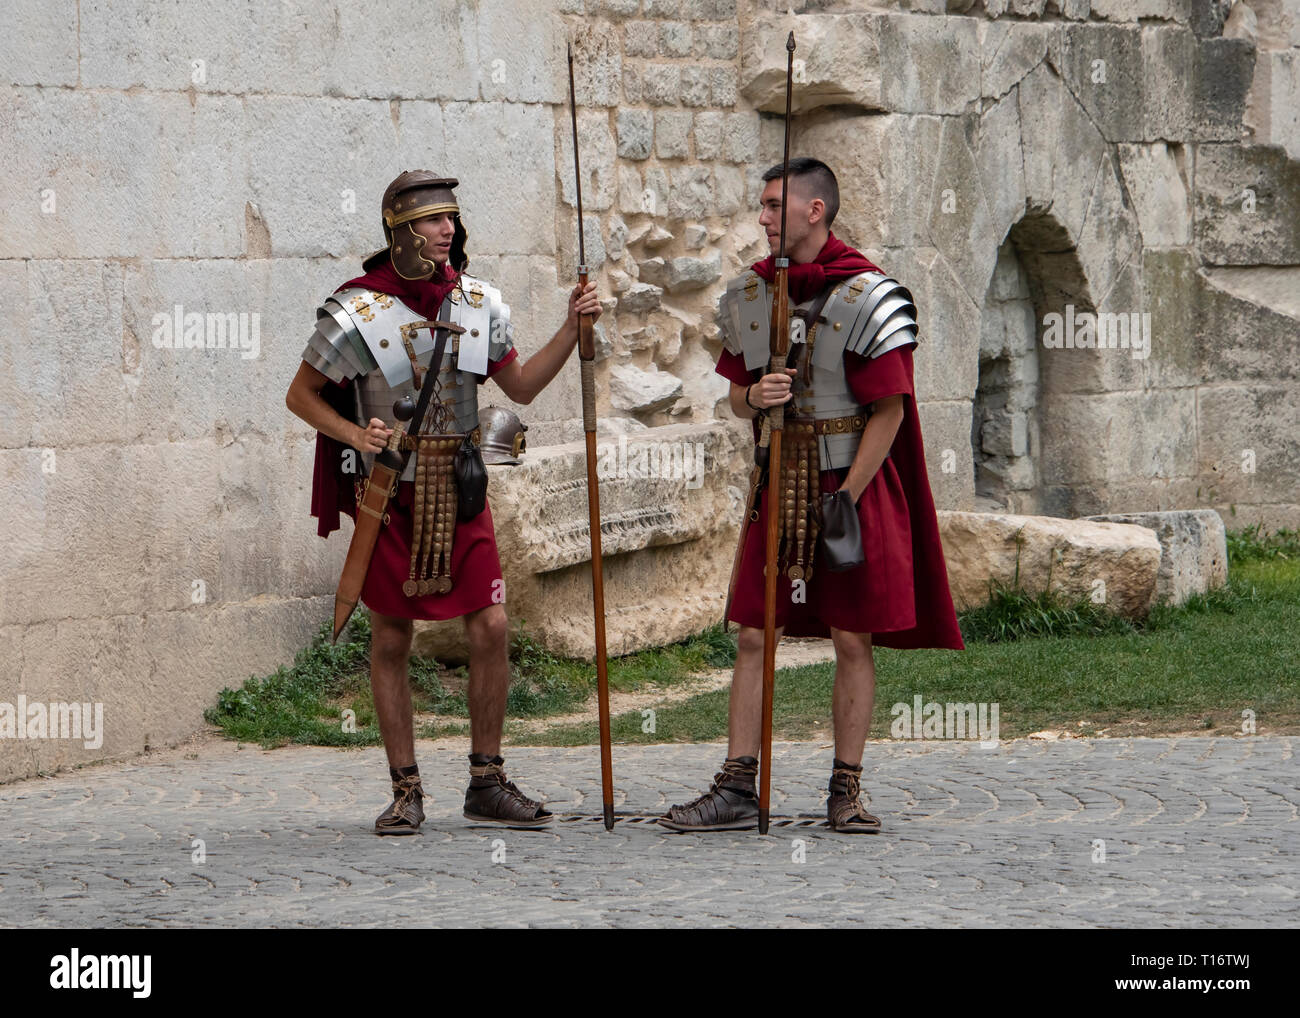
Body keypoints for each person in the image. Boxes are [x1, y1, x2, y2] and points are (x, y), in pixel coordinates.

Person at [285, 170, 601, 834]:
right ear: (400, 233)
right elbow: (302, 395)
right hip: (392, 490)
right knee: (393, 636)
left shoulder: (478, 302)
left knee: (490, 626)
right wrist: (354, 433)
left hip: (460, 487)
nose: (447, 230)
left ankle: (486, 780)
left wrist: (573, 329)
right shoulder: (357, 310)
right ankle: (406, 790)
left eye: (451, 219)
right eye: (432, 221)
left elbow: (520, 387)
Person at [660, 158, 964, 834]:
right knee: (752, 634)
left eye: (774, 206)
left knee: (851, 638)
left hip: (847, 484)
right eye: (762, 207)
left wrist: (847, 498)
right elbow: (738, 397)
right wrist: (754, 395)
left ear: (814, 211)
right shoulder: (751, 295)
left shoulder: (868, 294)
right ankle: (738, 786)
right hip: (779, 479)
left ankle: (846, 790)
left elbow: (889, 409)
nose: (762, 219)